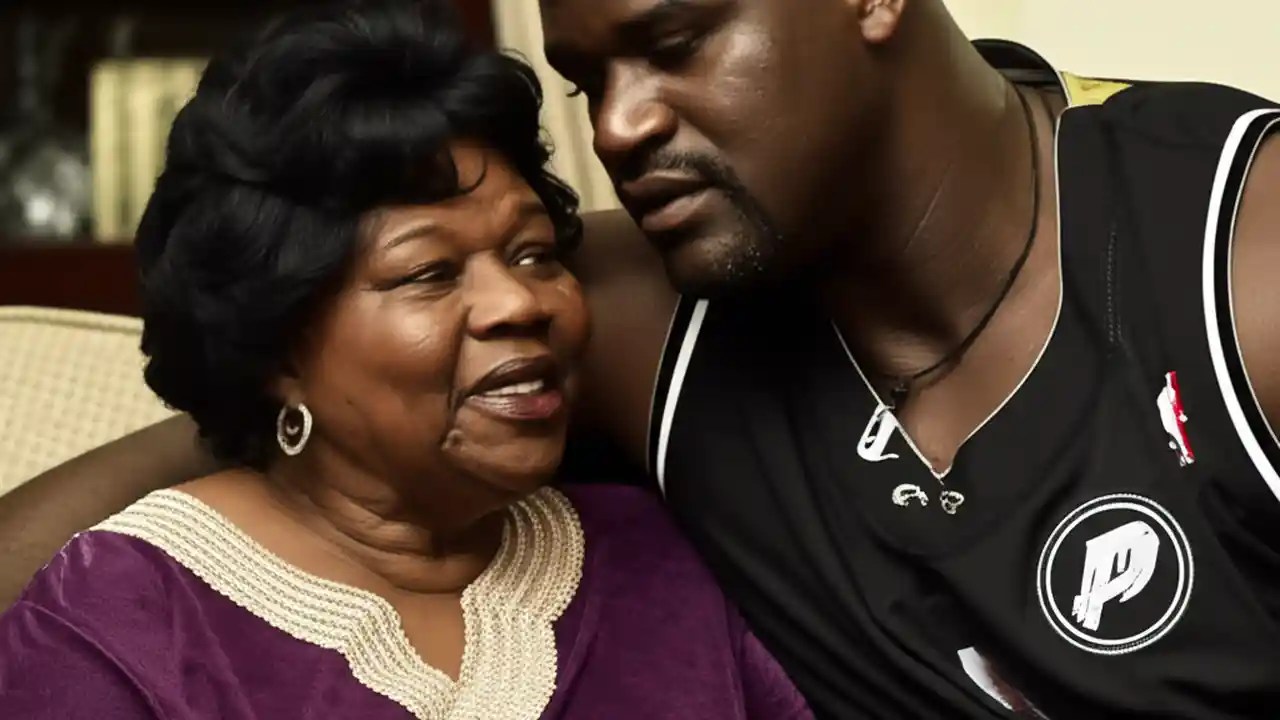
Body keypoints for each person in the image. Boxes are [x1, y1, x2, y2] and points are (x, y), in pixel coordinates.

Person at [1, 0, 1278, 716]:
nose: (616, 126)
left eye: (673, 45)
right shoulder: (635, 312)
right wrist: (260, 428)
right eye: (585, 75)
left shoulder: (1241, 262)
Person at [0, 2, 814, 718]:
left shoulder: (657, 552)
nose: (521, 303)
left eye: (533, 254)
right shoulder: (115, 621)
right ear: (279, 343)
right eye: (430, 272)